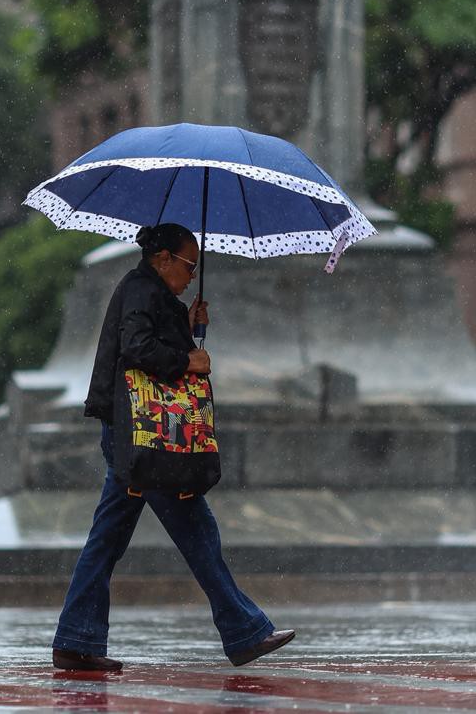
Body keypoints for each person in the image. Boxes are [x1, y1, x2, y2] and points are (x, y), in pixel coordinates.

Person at [51, 222, 295, 671]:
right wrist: (188, 359)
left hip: (135, 433)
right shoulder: (141, 289)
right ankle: (244, 632)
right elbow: (137, 348)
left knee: (110, 538)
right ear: (163, 259)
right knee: (195, 529)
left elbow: (147, 340)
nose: (191, 275)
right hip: (146, 435)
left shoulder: (150, 292)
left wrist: (188, 325)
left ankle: (75, 639)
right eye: (188, 265)